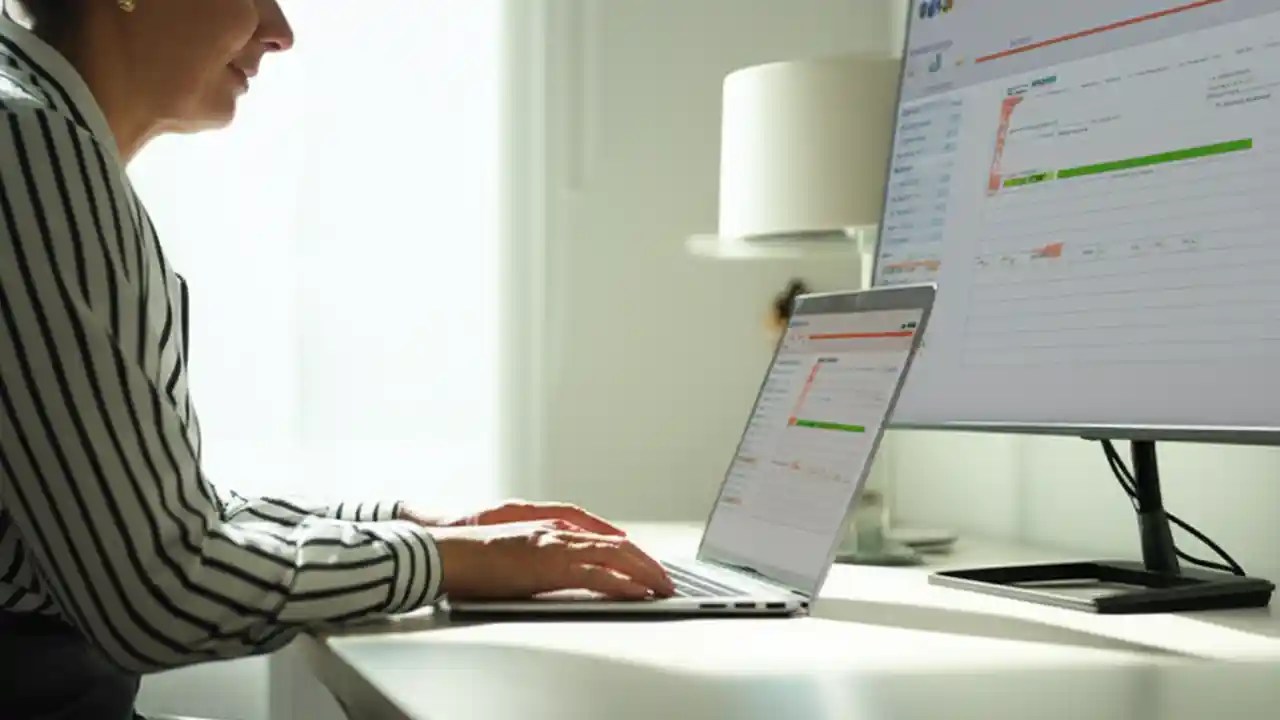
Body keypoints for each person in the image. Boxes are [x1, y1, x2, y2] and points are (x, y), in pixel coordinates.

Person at [0, 1, 675, 717]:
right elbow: (161, 590)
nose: (279, 29)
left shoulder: (45, 143)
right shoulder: (32, 149)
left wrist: (421, 525)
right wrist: (458, 563)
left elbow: (153, 517)